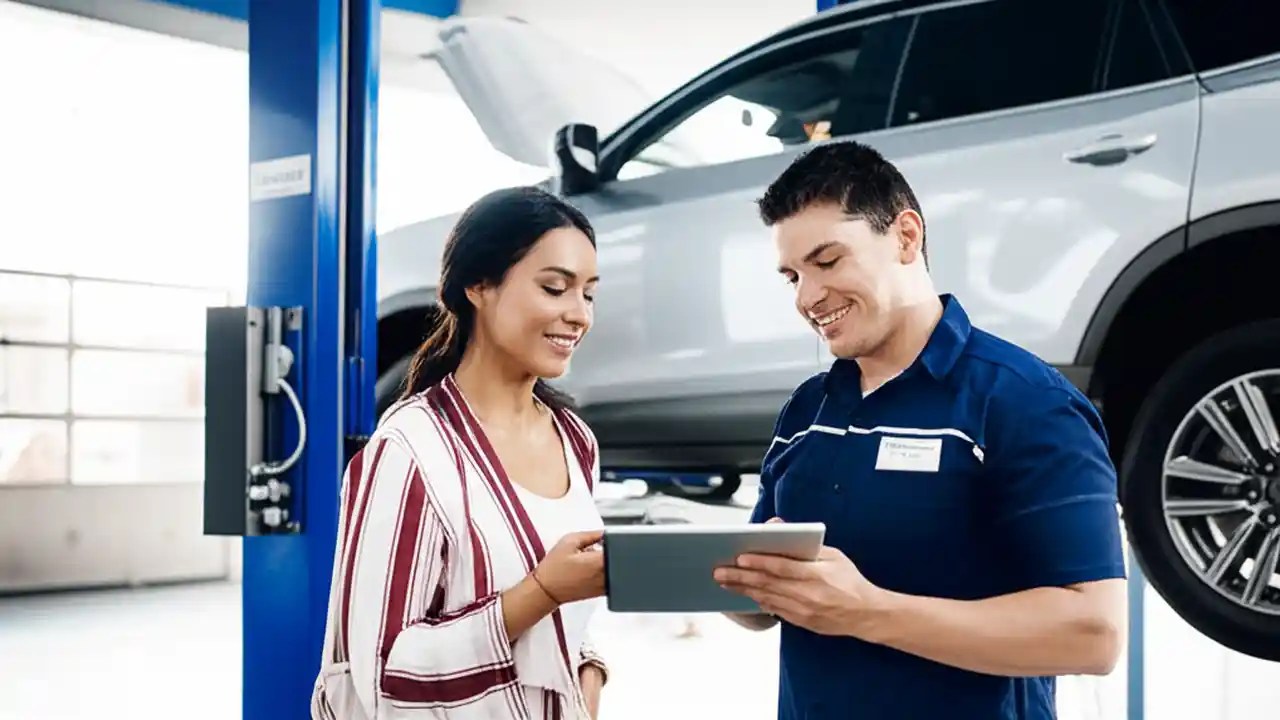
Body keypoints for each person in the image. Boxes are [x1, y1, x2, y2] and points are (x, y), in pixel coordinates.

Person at [714, 141, 1128, 719]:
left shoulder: (1025, 401)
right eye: (793, 277)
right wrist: (721, 578)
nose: (808, 298)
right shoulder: (806, 411)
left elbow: (1094, 633)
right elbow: (765, 607)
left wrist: (866, 612)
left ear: (906, 237)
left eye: (828, 262)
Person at [311, 186, 610, 720]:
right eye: (555, 288)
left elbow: (572, 625)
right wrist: (542, 590)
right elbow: (382, 673)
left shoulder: (575, 440)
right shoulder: (410, 451)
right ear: (478, 285)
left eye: (588, 294)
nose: (579, 315)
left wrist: (588, 672)